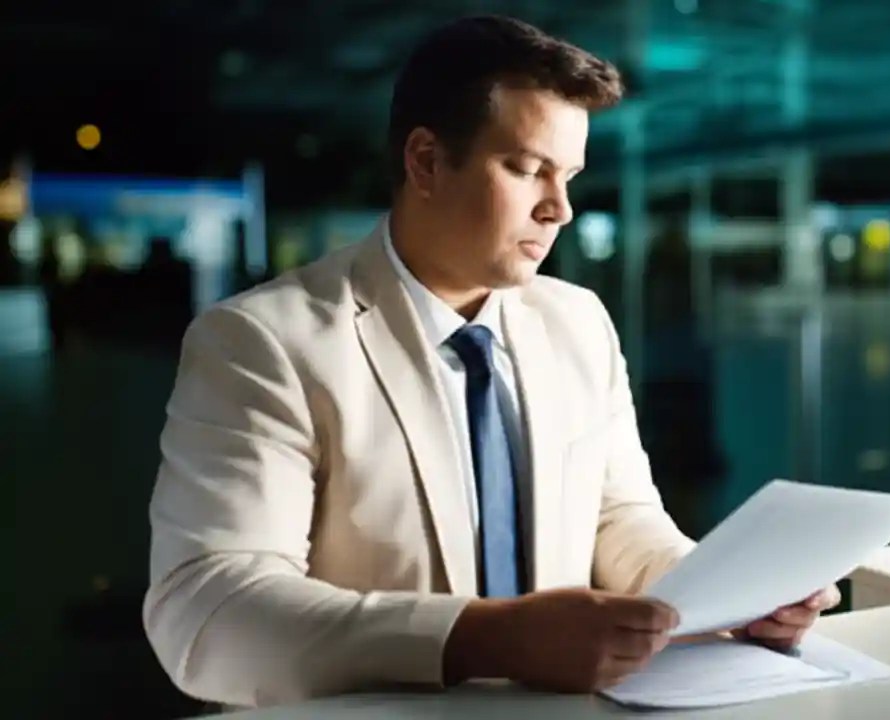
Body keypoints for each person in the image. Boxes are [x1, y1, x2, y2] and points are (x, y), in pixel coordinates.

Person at [143, 15, 839, 709]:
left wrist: (727, 596)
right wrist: (487, 638)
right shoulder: (264, 343)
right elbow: (208, 615)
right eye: (529, 170)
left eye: (568, 176)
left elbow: (619, 521)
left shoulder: (577, 324)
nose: (559, 209)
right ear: (425, 162)